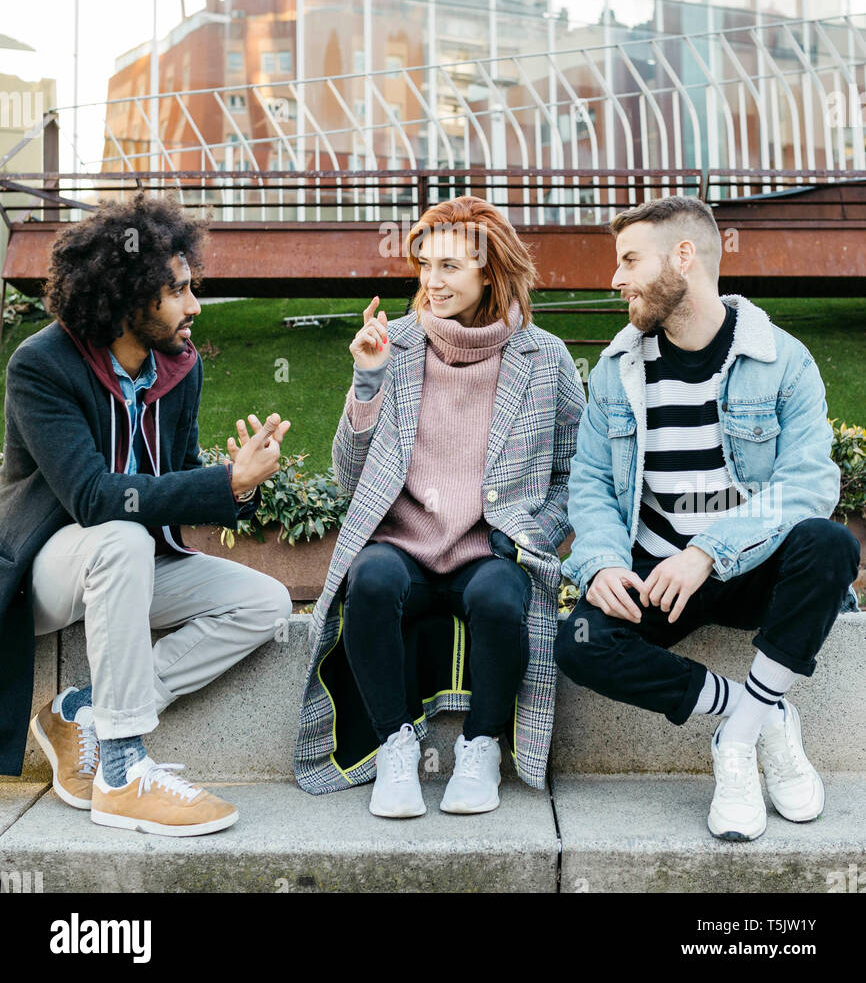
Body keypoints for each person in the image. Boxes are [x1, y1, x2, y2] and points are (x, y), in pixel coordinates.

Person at [555, 195, 858, 841]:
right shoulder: (617, 372)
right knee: (578, 643)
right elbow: (590, 483)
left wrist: (710, 553)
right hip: (658, 579)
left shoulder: (782, 360)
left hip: (748, 569)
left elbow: (808, 484)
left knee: (830, 547)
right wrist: (604, 560)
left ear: (684, 257)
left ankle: (737, 743)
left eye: (631, 260)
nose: (616, 279)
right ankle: (757, 716)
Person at [0, 193, 293, 836]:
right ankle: (123, 770)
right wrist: (219, 481)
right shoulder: (41, 366)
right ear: (130, 298)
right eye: (178, 291)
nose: (194, 306)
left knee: (266, 604)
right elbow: (93, 498)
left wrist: (235, 486)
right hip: (46, 570)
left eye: (194, 287)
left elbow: (178, 472)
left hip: (134, 563)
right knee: (121, 537)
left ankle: (88, 711)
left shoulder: (178, 367)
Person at [294, 195, 585, 815]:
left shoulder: (545, 357)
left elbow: (575, 474)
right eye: (425, 264)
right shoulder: (393, 345)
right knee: (368, 579)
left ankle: (480, 749)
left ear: (490, 271)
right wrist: (367, 381)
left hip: (489, 550)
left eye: (451, 266)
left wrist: (536, 534)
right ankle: (396, 744)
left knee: (503, 596)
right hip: (405, 548)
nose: (433, 280)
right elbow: (350, 477)